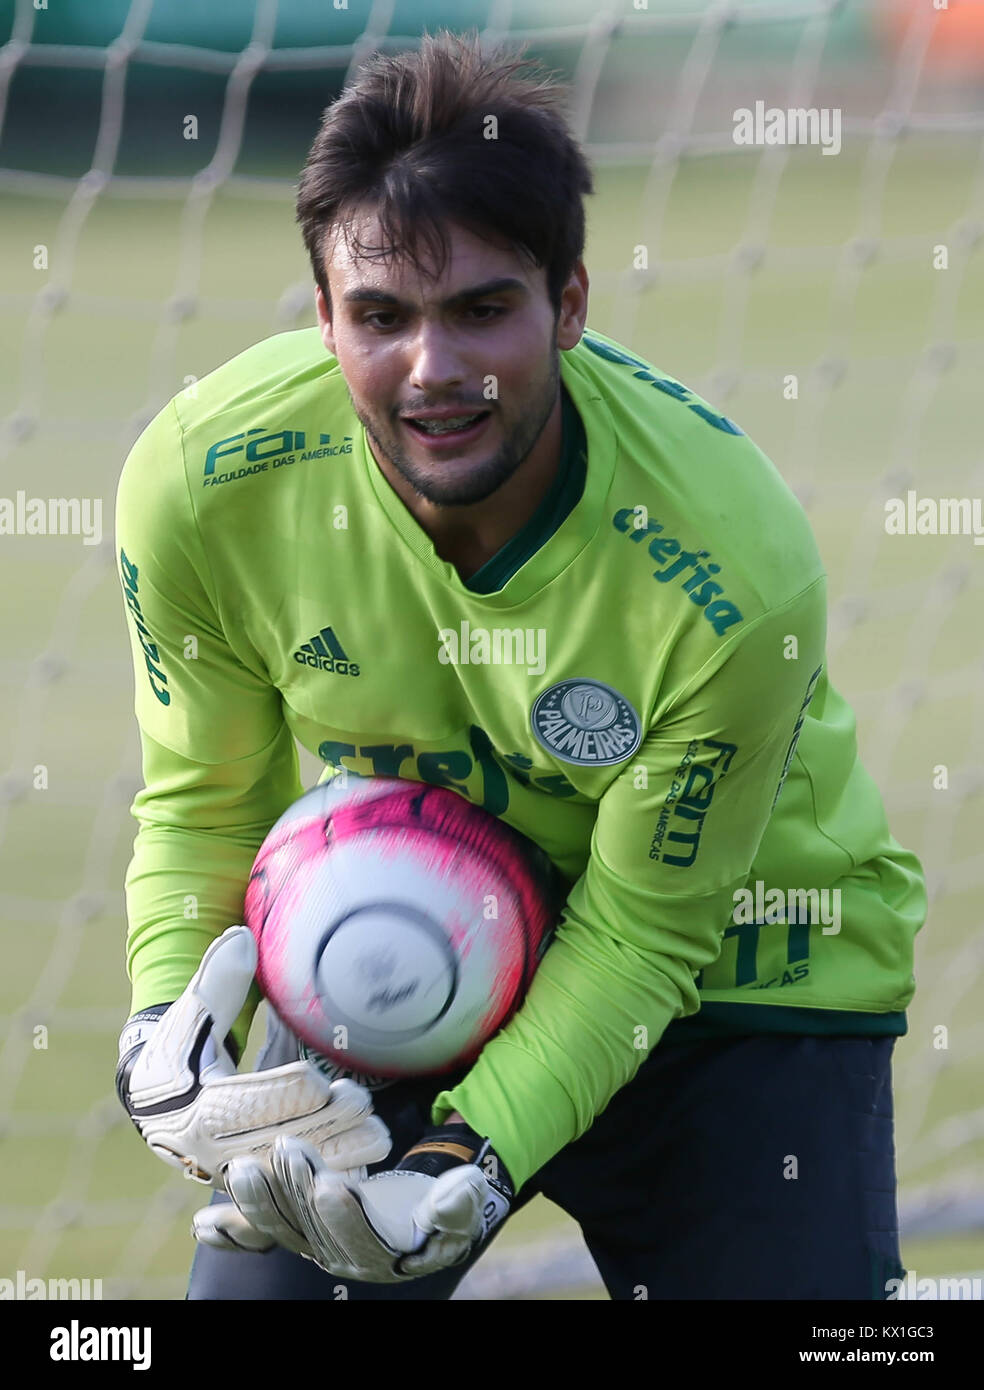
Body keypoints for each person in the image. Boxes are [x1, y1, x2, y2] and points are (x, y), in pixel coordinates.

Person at [114, 32, 926, 1301]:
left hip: (740, 983)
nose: (433, 370)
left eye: (482, 308)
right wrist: (164, 1020)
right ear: (323, 318)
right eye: (380, 316)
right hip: (397, 948)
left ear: (573, 305)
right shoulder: (201, 486)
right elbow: (205, 801)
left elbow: (643, 936)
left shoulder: (732, 562)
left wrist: (466, 1160)